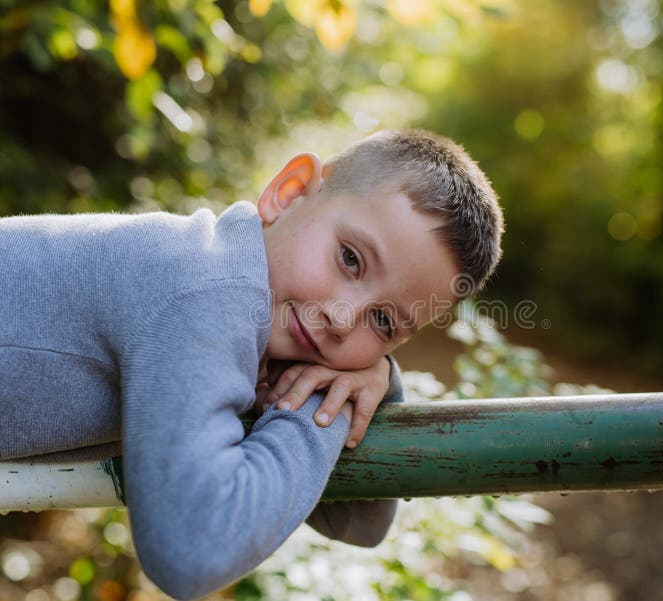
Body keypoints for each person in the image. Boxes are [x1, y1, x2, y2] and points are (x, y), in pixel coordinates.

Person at [0, 129, 504, 599]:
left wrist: (373, 384)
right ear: (288, 192)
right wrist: (321, 411)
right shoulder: (204, 288)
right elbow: (193, 548)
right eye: (350, 259)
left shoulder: (258, 320)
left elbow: (357, 523)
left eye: (384, 323)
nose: (342, 318)